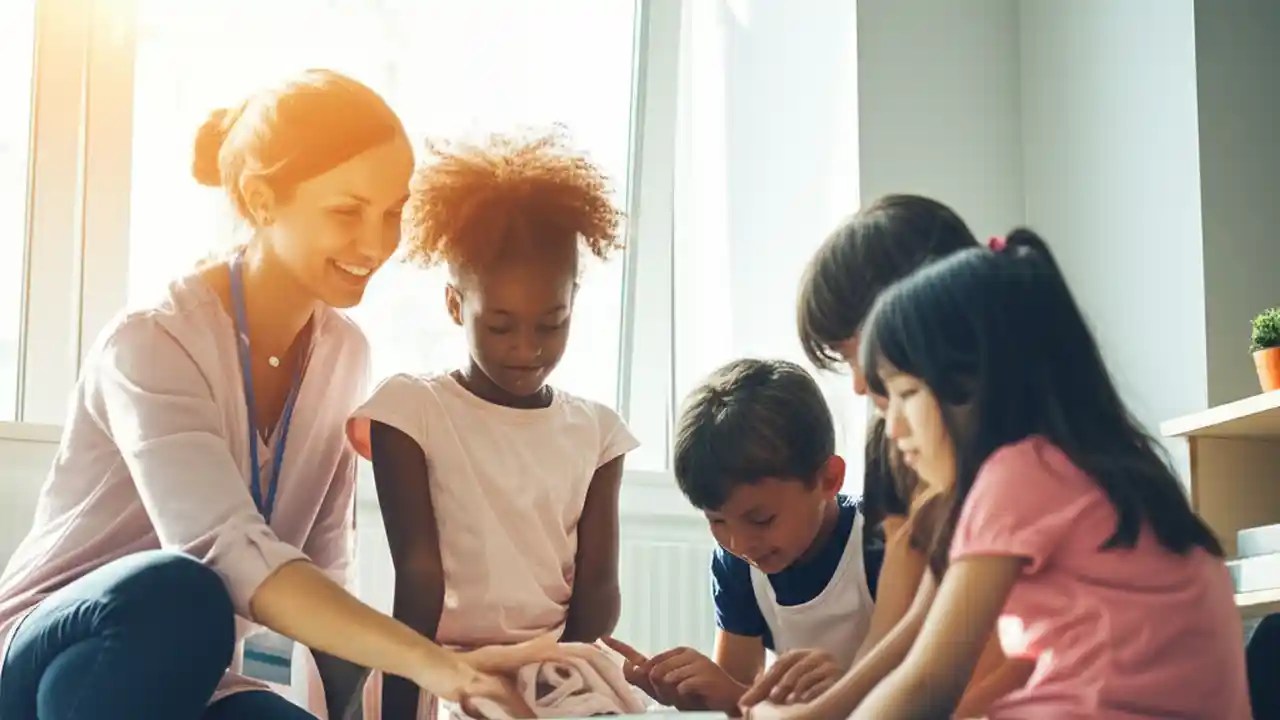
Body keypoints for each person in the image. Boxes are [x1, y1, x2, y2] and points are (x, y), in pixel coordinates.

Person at [0, 69, 520, 720]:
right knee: (181, 593)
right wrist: (440, 667)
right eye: (346, 211)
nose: (377, 243)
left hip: (209, 675)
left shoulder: (345, 354)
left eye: (393, 213)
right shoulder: (152, 343)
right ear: (261, 200)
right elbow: (222, 549)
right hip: (60, 655)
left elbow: (325, 568)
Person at [849, 230, 1250, 718]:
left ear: (979, 384)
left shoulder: (1017, 475)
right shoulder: (1114, 471)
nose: (892, 428)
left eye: (908, 393)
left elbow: (931, 680)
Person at [345, 127, 639, 720]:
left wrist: (563, 673)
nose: (526, 349)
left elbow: (597, 597)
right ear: (456, 305)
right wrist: (405, 707)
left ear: (573, 303)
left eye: (551, 324)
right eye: (500, 326)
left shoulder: (598, 433)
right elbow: (420, 578)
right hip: (443, 665)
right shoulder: (409, 412)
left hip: (555, 668)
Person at [743, 195, 1024, 718]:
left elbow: (934, 671)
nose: (856, 383)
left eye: (860, 353)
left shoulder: (1016, 472)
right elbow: (903, 625)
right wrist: (838, 703)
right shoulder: (901, 448)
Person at [606, 358, 878, 714]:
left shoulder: (879, 542)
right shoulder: (737, 565)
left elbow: (916, 690)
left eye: (761, 519)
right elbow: (740, 696)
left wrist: (736, 698)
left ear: (829, 480)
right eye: (717, 522)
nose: (740, 544)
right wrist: (696, 694)